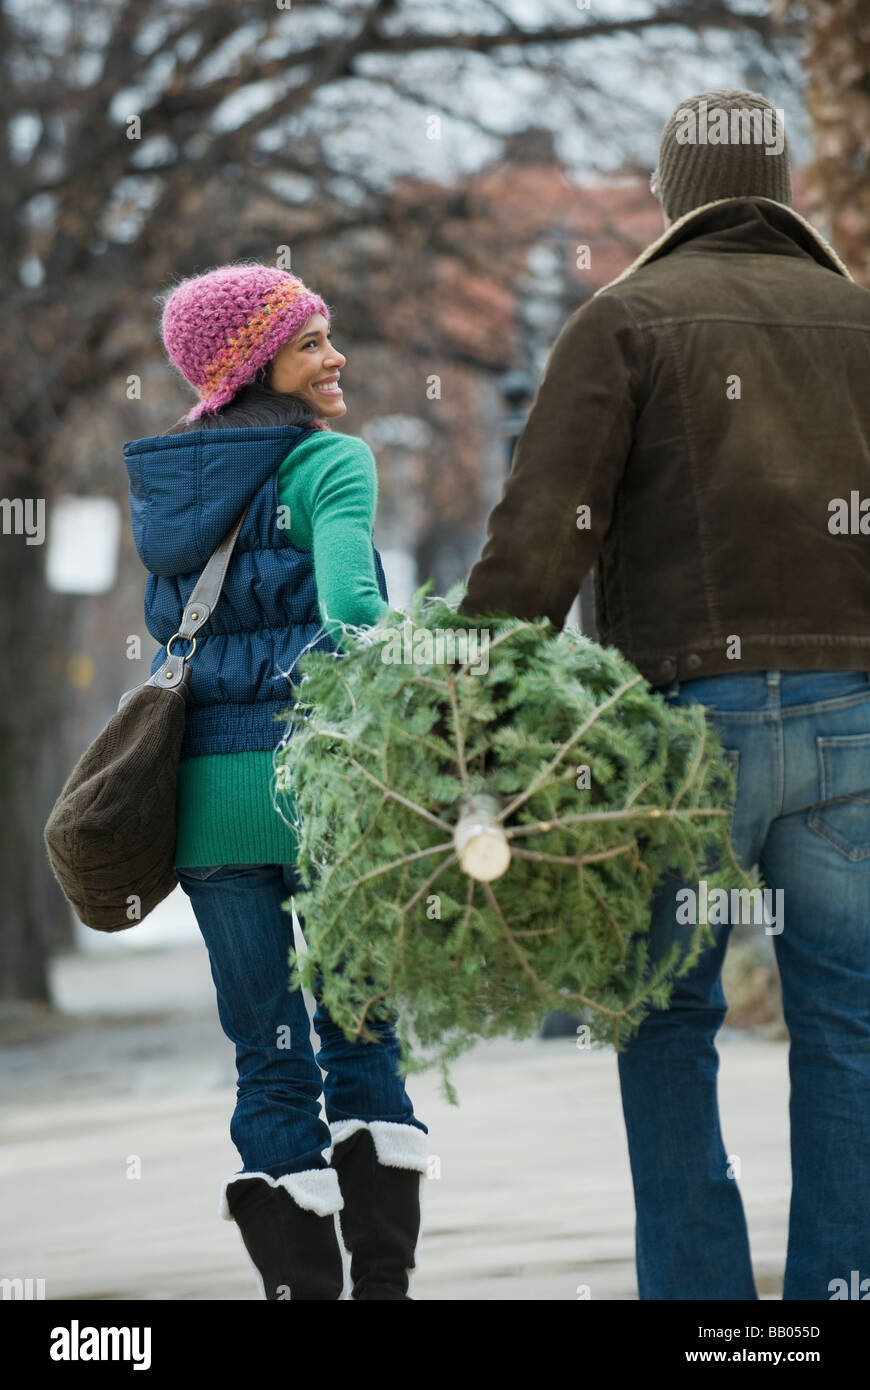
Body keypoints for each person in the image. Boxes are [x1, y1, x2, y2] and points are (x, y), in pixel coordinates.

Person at [457, 88, 870, 1300]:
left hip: (685, 735)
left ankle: (703, 1311)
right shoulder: (860, 322)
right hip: (855, 725)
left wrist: (467, 727)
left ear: (675, 191)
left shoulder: (623, 320)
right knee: (848, 1027)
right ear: (783, 187)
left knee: (666, 1018)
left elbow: (540, 539)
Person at [123, 262, 429, 1300]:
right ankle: (380, 1291)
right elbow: (353, 617)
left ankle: (300, 1297)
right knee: (361, 1033)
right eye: (311, 342)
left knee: (266, 1055)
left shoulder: (168, 486)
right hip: (323, 792)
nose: (334, 356)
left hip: (207, 807)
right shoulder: (332, 464)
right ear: (257, 365)